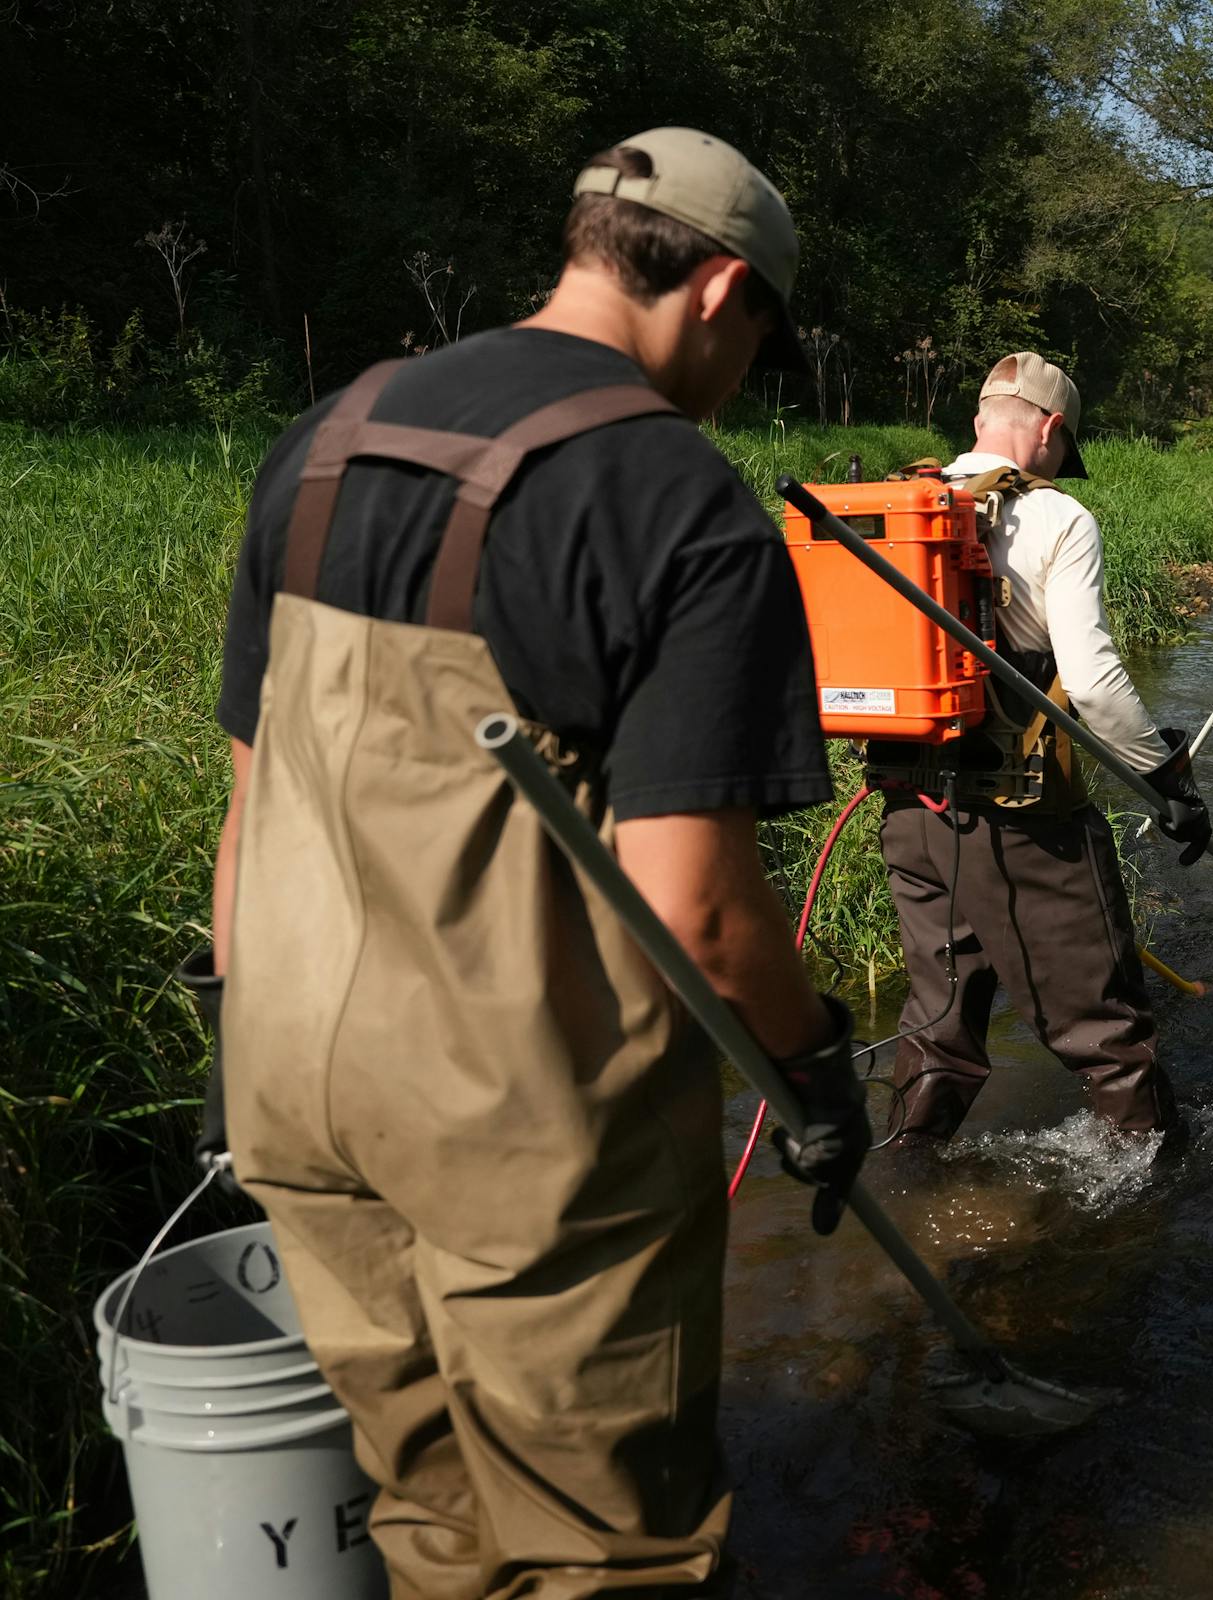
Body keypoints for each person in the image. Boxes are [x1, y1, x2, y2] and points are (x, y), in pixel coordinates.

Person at [204, 128, 870, 1595]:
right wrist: (815, 1066)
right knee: (598, 1555)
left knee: (431, 1512)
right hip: (521, 1127)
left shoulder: (326, 433)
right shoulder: (675, 499)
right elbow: (695, 909)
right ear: (721, 292)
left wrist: (239, 1035)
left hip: (291, 1086)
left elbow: (249, 811)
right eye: (764, 331)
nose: (749, 365)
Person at [875, 352, 1208, 1153]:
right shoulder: (1059, 519)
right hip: (1026, 823)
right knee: (1108, 1038)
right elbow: (1092, 685)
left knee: (937, 1034)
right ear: (1051, 428)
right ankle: (1155, 1198)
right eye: (1066, 448)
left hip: (909, 815)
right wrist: (1167, 784)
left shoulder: (896, 503)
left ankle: (903, 1189)